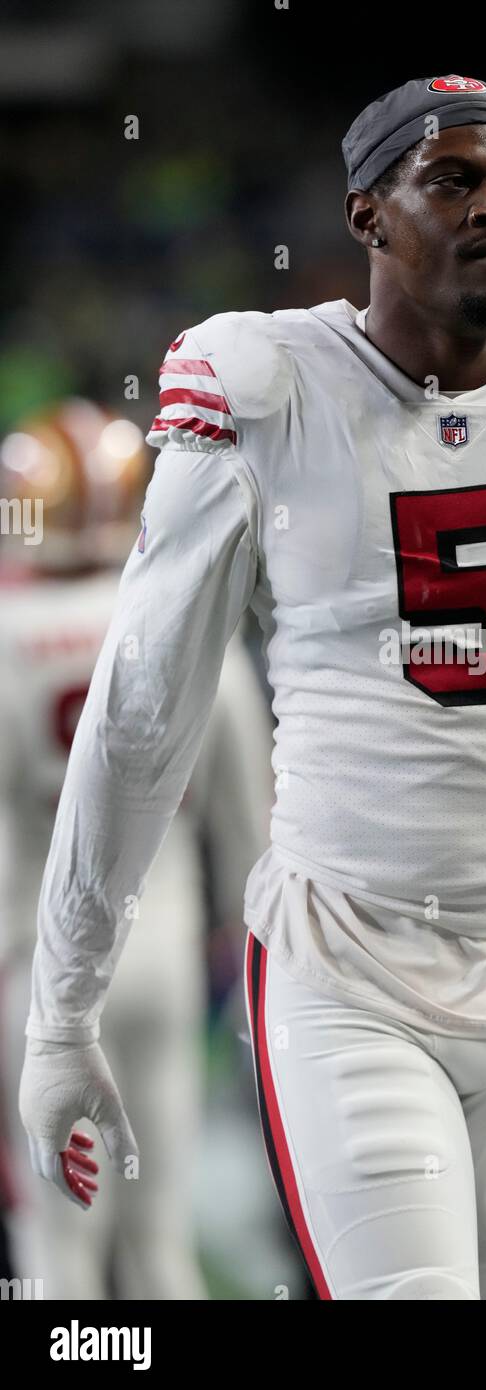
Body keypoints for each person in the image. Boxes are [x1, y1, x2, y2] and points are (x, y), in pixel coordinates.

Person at [18, 74, 486, 1301]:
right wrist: (63, 1009)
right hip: (347, 966)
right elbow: (140, 717)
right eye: (455, 181)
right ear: (367, 214)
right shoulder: (264, 388)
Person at [1, 401, 272, 1297]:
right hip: (160, 951)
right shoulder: (187, 626)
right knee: (160, 1243)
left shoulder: (6, 640)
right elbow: (253, 842)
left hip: (34, 964)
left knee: (60, 1246)